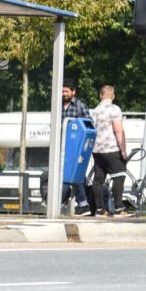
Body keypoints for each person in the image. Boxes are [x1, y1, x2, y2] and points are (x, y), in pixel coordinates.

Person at [88, 84, 129, 217]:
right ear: (113, 96)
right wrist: (123, 150)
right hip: (111, 149)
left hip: (97, 150)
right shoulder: (114, 109)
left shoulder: (94, 111)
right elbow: (118, 130)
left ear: (100, 96)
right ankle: (118, 208)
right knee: (119, 176)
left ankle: (99, 209)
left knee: (98, 179)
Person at [60, 80, 91, 215]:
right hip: (61, 146)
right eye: (62, 91)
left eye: (66, 91)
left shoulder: (80, 106)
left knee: (73, 173)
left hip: (76, 147)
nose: (64, 94)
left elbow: (89, 125)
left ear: (73, 92)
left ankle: (79, 203)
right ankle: (82, 204)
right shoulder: (57, 106)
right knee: (66, 174)